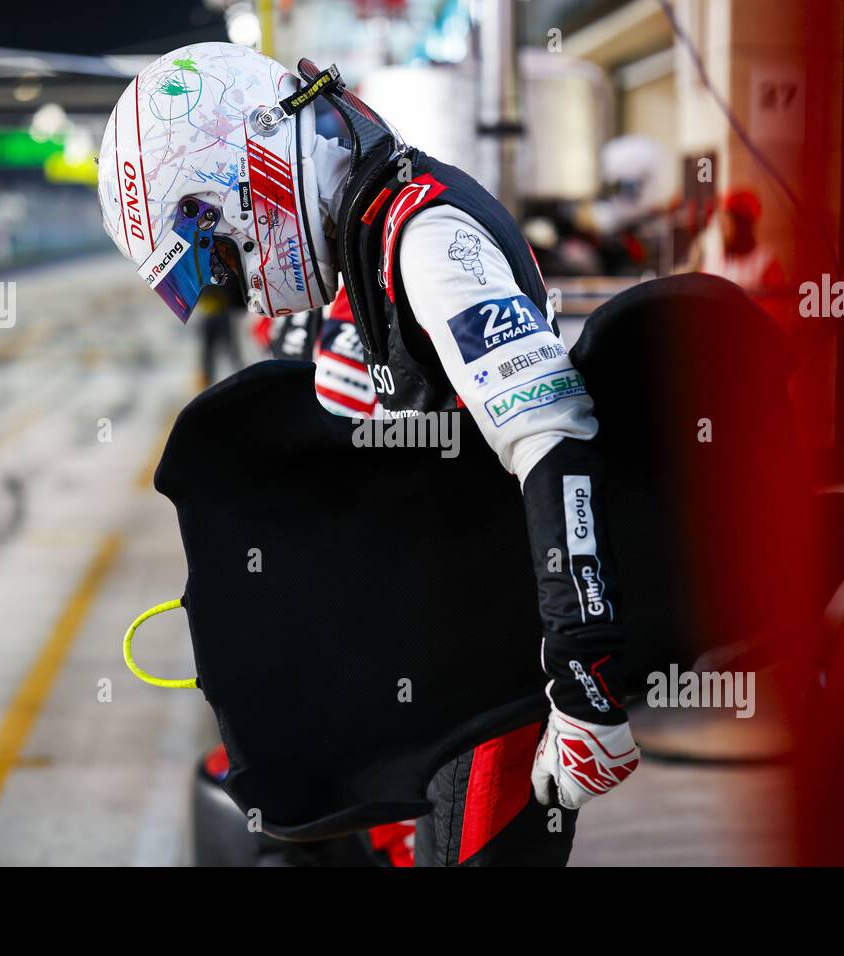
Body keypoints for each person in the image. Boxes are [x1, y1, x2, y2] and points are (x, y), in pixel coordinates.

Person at [98, 42, 639, 866]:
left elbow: (554, 439)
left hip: (498, 688)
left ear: (244, 179)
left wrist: (584, 675)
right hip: (445, 667)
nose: (241, 284)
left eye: (221, 257)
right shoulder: (371, 235)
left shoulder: (425, 238)